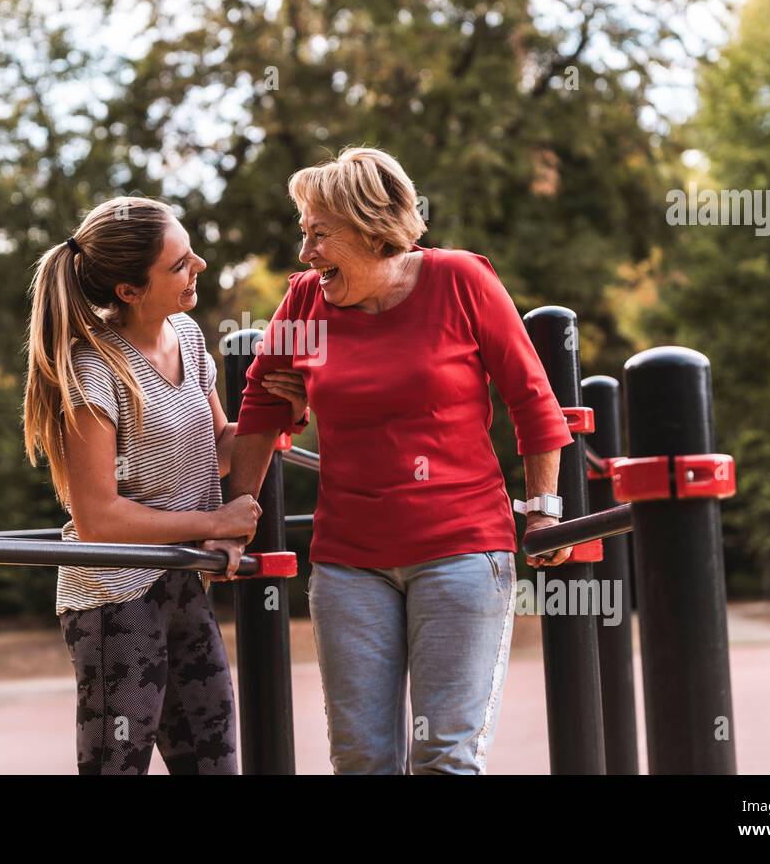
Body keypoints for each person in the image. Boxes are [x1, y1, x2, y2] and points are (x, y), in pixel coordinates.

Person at [226, 147, 575, 774]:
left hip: (462, 549)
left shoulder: (459, 281)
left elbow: (531, 397)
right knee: (361, 758)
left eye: (318, 235)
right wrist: (236, 512)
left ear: (370, 229)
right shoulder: (309, 302)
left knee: (444, 757)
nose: (305, 255)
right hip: (348, 562)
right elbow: (258, 406)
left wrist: (544, 510)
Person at [22, 196, 261, 775]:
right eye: (179, 264)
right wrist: (215, 523)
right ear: (129, 290)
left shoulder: (186, 333)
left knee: (214, 762)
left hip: (179, 582)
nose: (198, 265)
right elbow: (98, 518)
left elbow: (217, 450)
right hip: (114, 595)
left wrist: (273, 412)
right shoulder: (92, 367)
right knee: (115, 767)